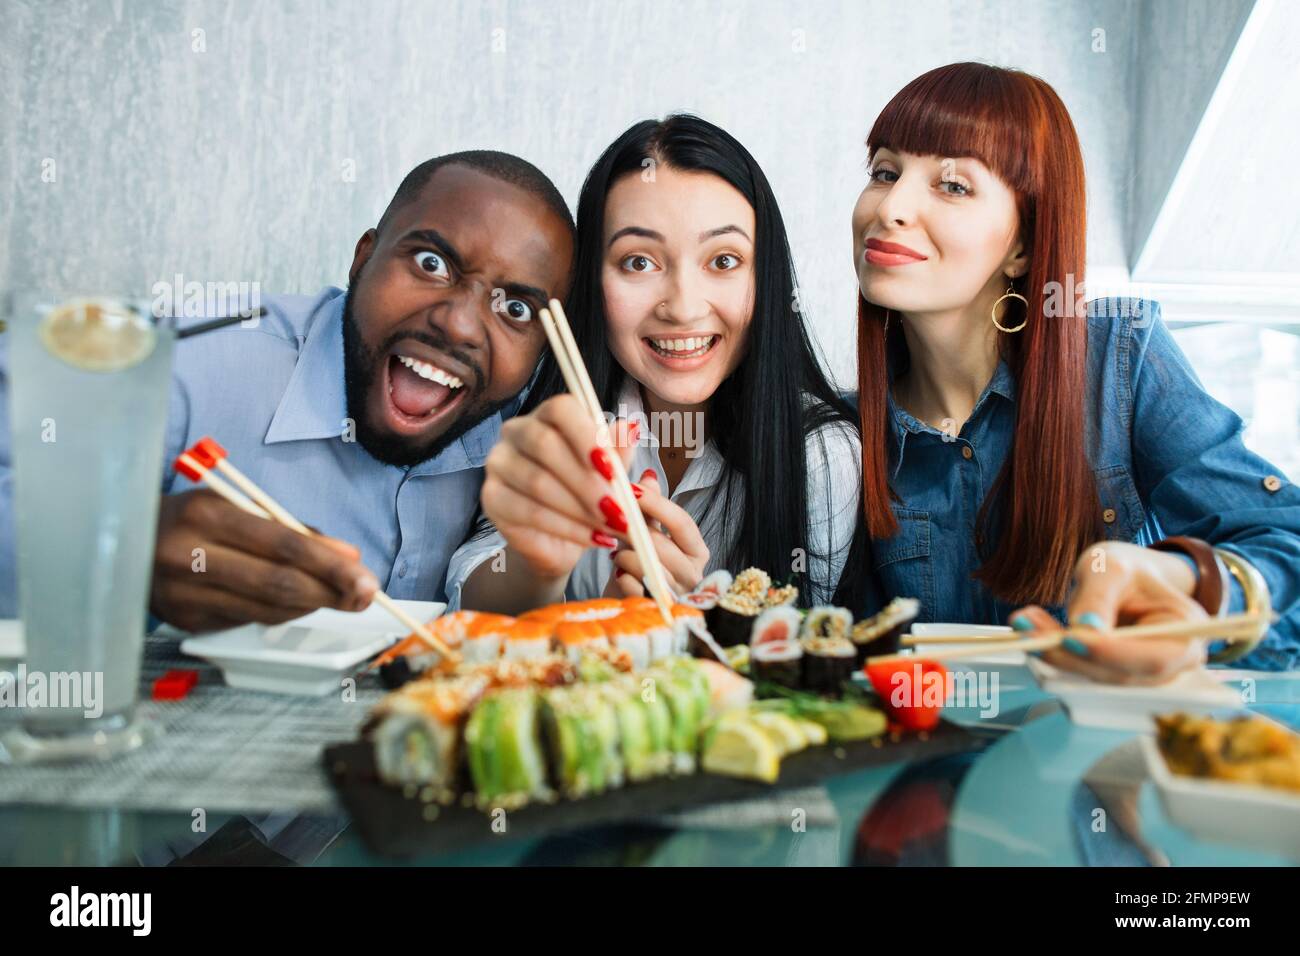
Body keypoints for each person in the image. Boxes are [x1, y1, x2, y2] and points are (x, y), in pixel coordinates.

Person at [845, 62, 1300, 681]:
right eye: (884, 172)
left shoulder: (1119, 355)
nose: (890, 207)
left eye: (952, 186)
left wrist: (1187, 582)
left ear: (1022, 246)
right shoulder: (841, 436)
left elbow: (1281, 542)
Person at [0, 150, 576, 631]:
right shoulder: (184, 360)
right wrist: (111, 545)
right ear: (363, 258)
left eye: (517, 308)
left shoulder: (516, 440)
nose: (459, 325)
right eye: (431, 263)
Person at [449, 115, 860, 613]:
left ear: (766, 277)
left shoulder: (821, 453)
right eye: (639, 262)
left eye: (723, 261)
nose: (683, 306)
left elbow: (801, 667)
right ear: (591, 282)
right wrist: (542, 568)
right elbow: (469, 603)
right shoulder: (553, 416)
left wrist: (698, 622)